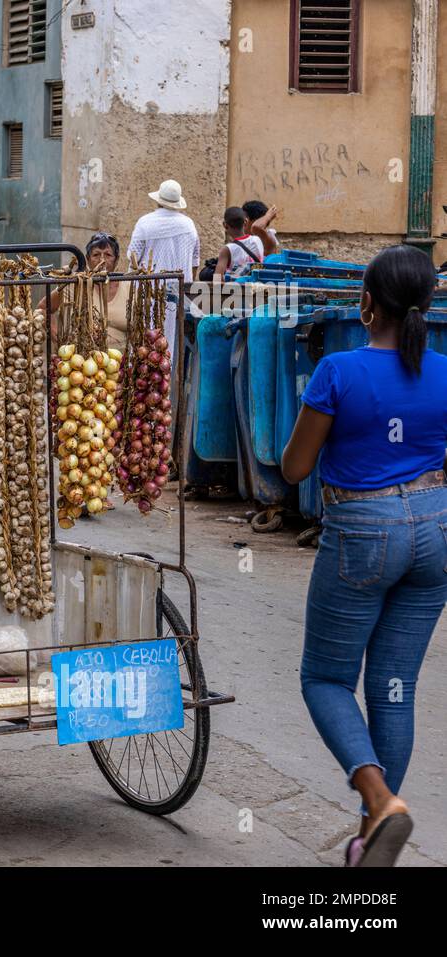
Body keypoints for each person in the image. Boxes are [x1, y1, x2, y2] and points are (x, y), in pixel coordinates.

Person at [281, 245, 446, 868]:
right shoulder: (444, 371)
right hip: (435, 531)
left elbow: (293, 466)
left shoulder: (338, 371)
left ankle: (380, 801)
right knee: (394, 688)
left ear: (367, 303)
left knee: (324, 678)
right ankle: (368, 838)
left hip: (362, 531)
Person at [126, 178, 200, 346]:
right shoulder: (189, 225)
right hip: (178, 297)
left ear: (158, 201)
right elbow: (194, 263)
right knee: (172, 346)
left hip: (148, 296)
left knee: (147, 347)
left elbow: (133, 258)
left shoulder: (145, 222)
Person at [212, 206, 265, 281]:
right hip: (257, 287)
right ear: (245, 222)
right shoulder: (257, 240)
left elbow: (217, 279)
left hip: (237, 290)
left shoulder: (227, 249)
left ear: (225, 225)